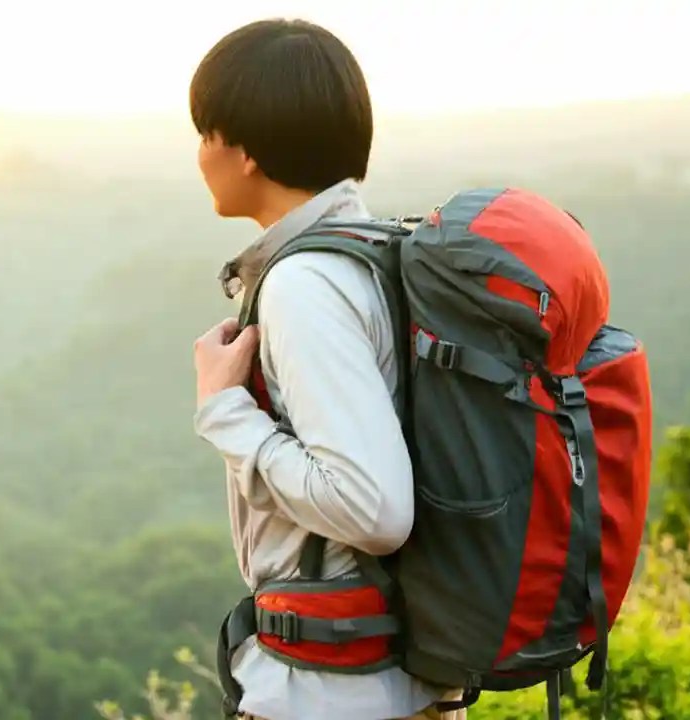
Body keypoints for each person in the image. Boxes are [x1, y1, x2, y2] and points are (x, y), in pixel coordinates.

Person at [189, 18, 464, 720]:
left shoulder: (306, 285)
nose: (199, 154)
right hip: (397, 682)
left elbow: (373, 510)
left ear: (245, 149)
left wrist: (225, 410)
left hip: (332, 694)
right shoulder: (380, 255)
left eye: (205, 132)